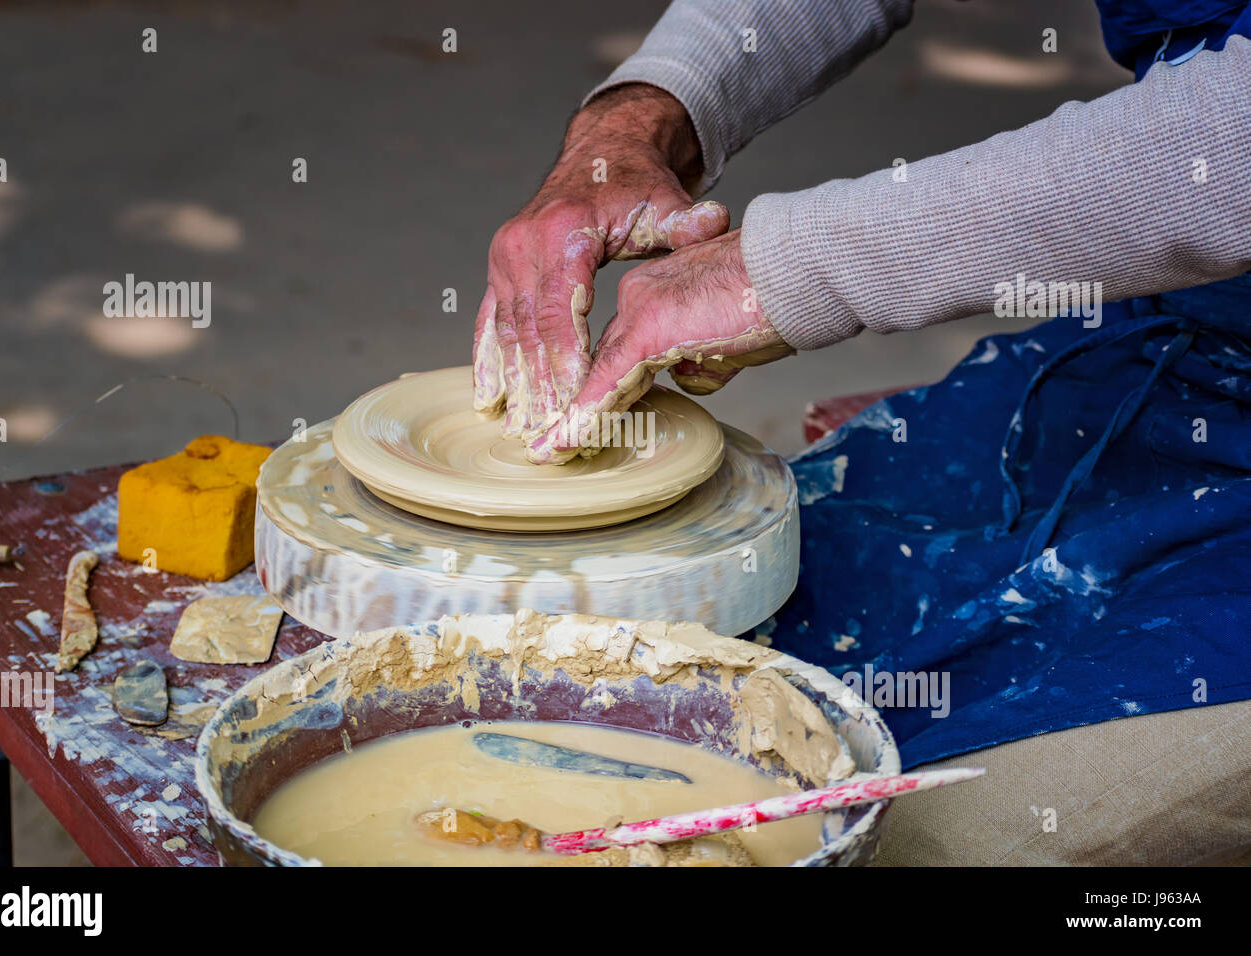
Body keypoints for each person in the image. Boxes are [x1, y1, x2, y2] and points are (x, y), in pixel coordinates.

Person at [474, 1, 1251, 864]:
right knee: (718, 656)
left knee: (916, 833)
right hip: (1182, 341)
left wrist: (783, 272)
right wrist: (642, 118)